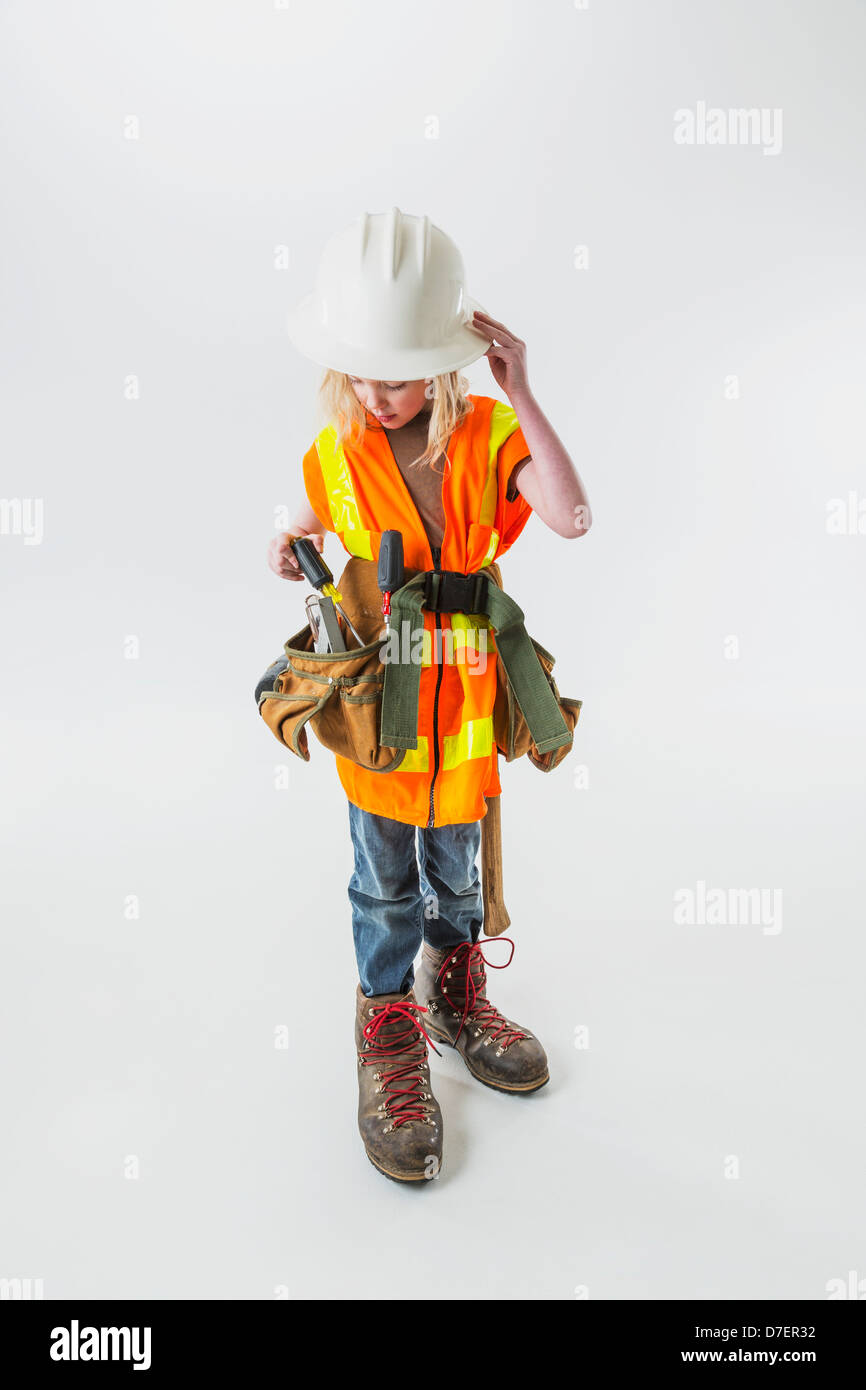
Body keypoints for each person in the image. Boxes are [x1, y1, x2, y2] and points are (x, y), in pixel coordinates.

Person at [266, 210, 592, 1182]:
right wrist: (288, 542)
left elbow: (571, 515)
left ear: (444, 365)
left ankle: (453, 994)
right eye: (364, 372)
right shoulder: (337, 450)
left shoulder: (486, 434)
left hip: (461, 719)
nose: (379, 393)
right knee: (382, 883)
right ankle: (387, 1024)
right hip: (380, 714)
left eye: (400, 375)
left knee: (455, 877)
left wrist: (521, 390)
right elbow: (306, 517)